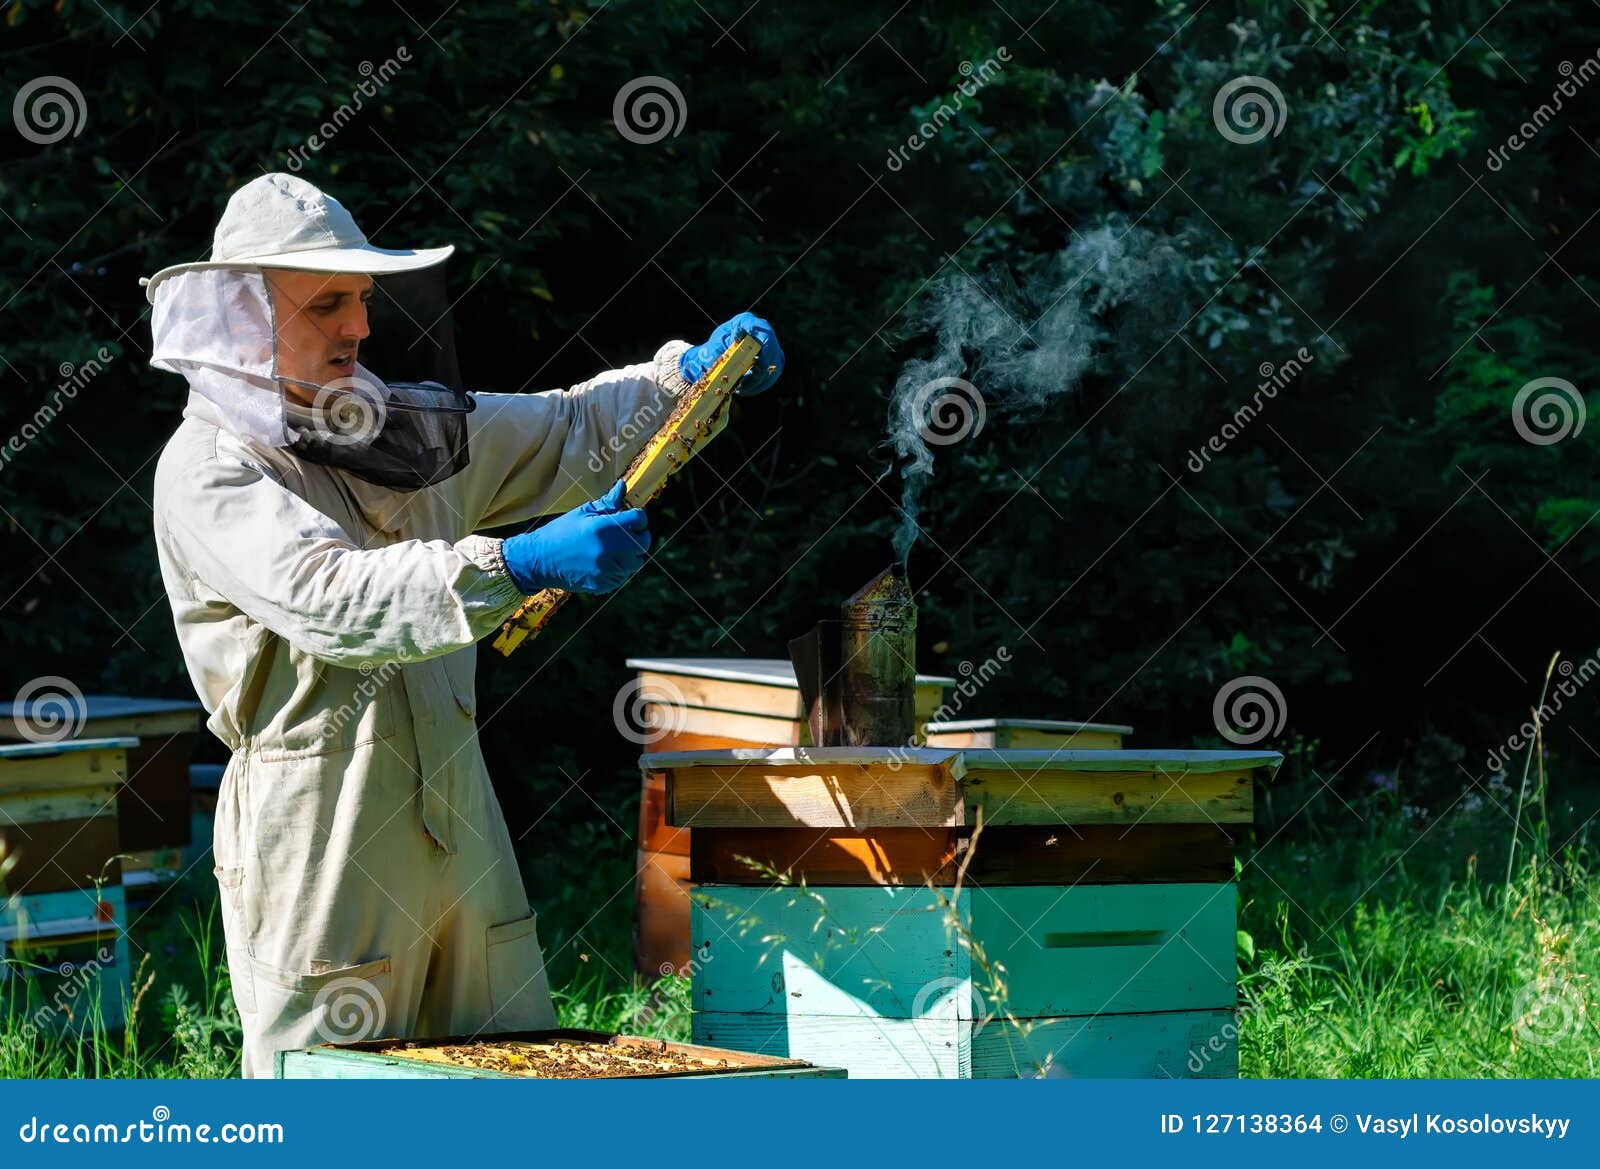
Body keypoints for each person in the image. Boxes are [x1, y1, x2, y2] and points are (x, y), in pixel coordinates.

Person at [143, 172, 783, 1077]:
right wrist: (512, 565)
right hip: (320, 827)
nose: (358, 326)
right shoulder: (212, 467)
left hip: (460, 813)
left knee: (506, 1084)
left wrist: (683, 379)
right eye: (328, 302)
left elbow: (565, 430)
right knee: (333, 1103)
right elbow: (335, 598)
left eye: (362, 299)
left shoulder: (396, 431)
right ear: (244, 316)